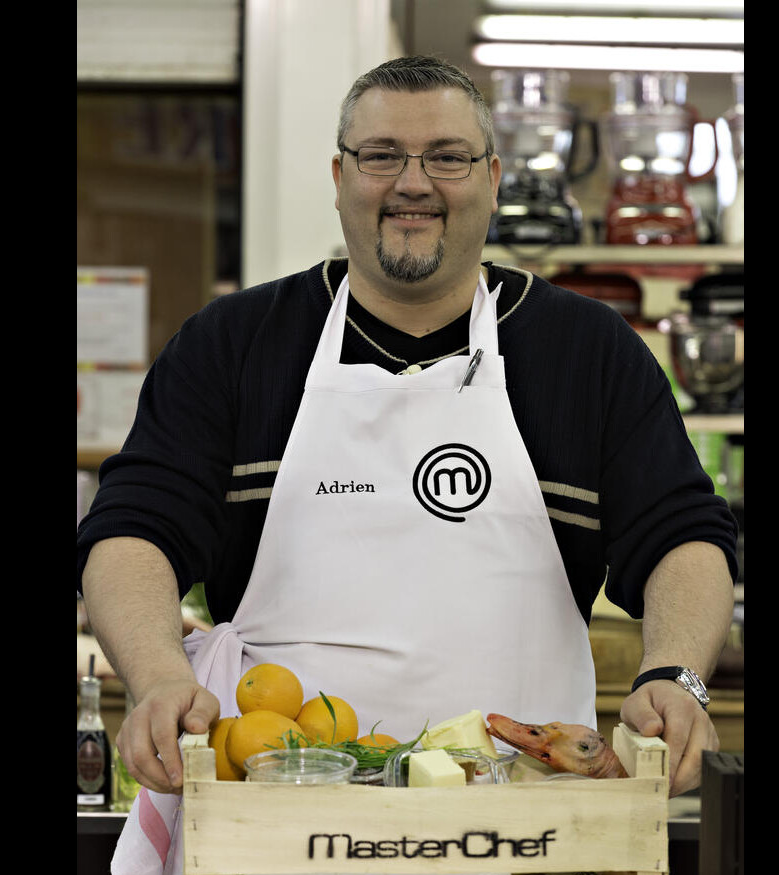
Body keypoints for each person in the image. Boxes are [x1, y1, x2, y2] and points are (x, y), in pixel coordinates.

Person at [78, 55, 738, 808]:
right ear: (339, 179)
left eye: (447, 158)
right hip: (276, 818)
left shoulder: (587, 351)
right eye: (381, 156)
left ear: (492, 180)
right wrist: (160, 674)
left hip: (532, 823)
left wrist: (676, 675)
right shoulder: (233, 345)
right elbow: (132, 529)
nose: (413, 183)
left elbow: (684, 534)